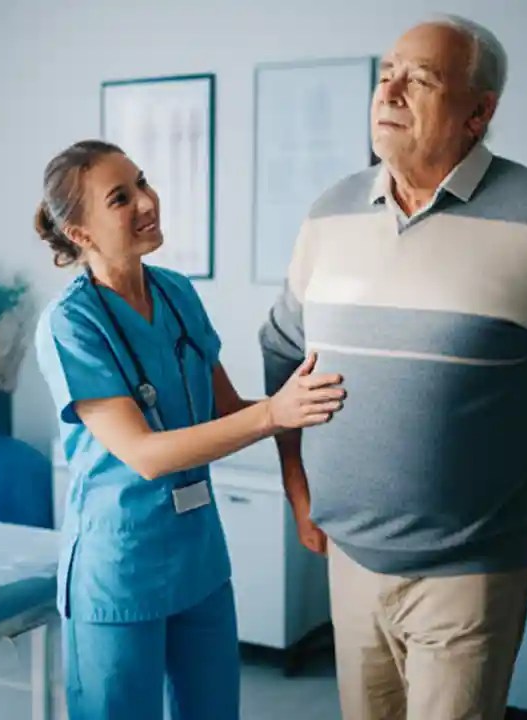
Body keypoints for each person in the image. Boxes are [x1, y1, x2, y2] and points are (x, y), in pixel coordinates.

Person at [258, 14, 527, 720]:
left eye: (421, 79)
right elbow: (282, 351)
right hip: (349, 563)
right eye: (385, 76)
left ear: (479, 113)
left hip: (469, 575)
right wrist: (297, 488)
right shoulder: (328, 214)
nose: (391, 91)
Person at [33, 139, 346, 720]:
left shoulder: (176, 293)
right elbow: (145, 455)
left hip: (197, 558)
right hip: (120, 567)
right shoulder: (68, 325)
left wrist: (316, 403)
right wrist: (275, 412)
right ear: (80, 232)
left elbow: (226, 410)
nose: (148, 202)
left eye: (143, 183)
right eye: (121, 198)